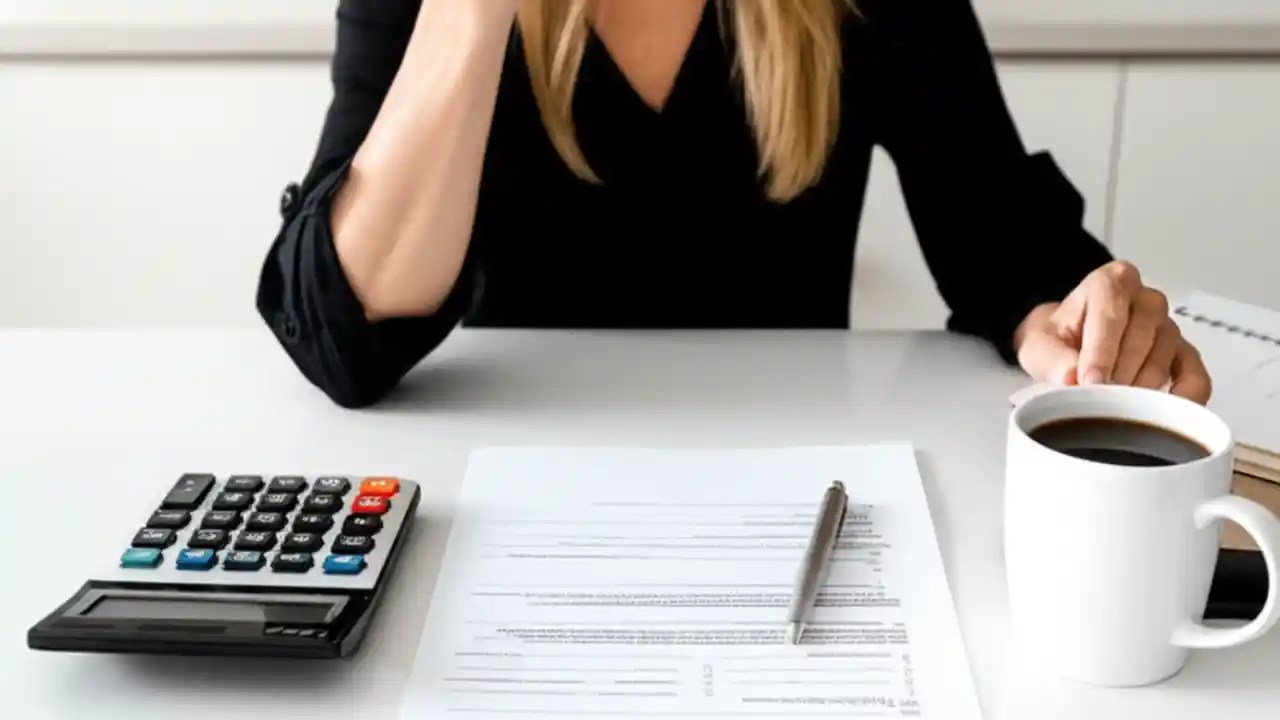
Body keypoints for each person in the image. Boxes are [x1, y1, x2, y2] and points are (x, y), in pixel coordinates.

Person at [256, 0, 1211, 409]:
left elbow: (1002, 237)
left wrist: (1085, 313)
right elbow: (345, 331)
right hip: (505, 487)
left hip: (800, 493)